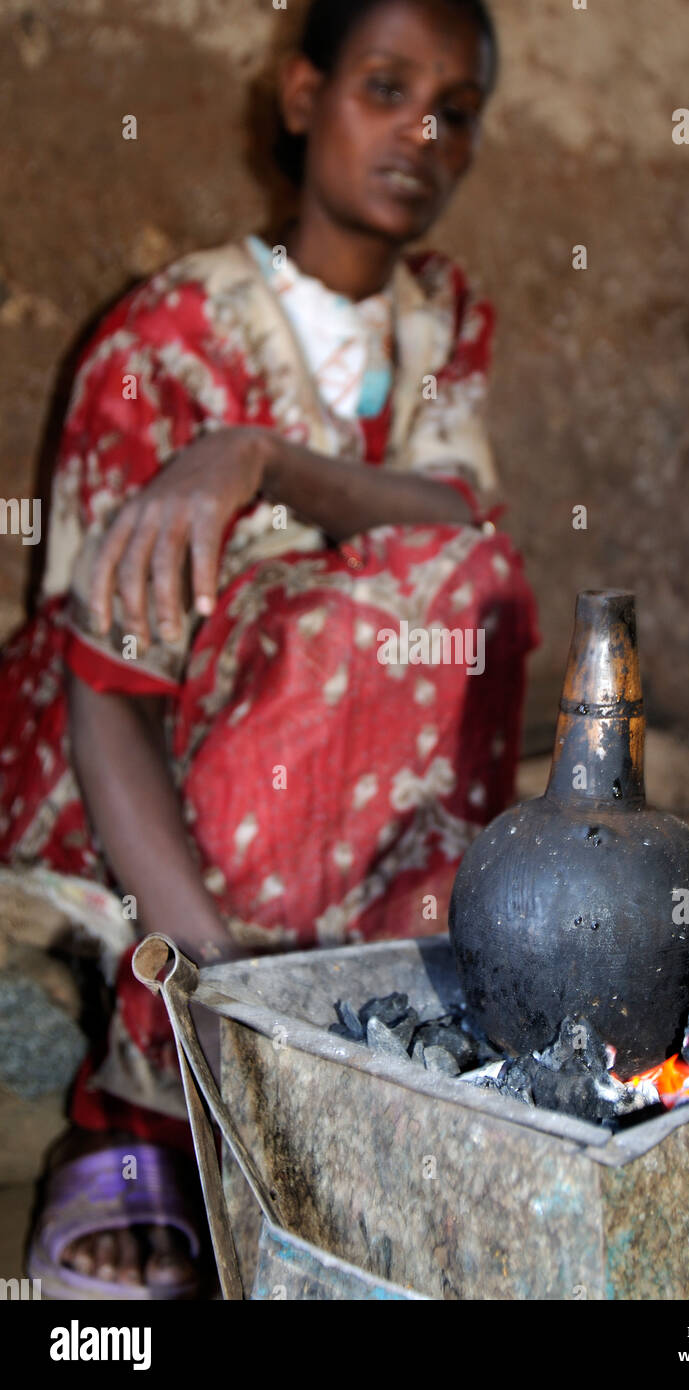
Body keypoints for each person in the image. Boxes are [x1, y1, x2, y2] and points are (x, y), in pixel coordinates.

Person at [6, 0, 539, 1298]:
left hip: (335, 803)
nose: (421, 129)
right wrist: (221, 994)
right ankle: (137, 1116)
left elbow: (462, 520)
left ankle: (379, 1052)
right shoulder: (166, 341)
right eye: (385, 86)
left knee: (467, 585)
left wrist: (254, 460)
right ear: (302, 97)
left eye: (454, 109)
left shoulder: (444, 319)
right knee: (319, 616)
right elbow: (104, 699)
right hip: (136, 780)